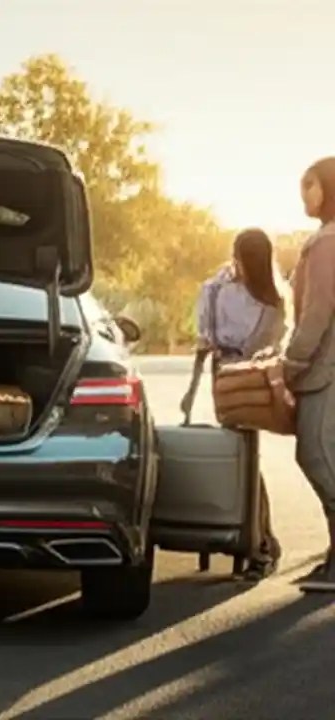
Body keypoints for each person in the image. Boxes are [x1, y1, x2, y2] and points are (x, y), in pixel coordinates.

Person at [181, 228, 288, 580]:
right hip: (233, 376)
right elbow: (214, 341)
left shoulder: (258, 297)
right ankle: (255, 541)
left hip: (240, 376)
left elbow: (258, 342)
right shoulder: (232, 291)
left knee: (246, 456)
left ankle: (260, 544)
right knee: (243, 457)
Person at [283, 156, 335, 592]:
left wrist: (293, 361)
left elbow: (317, 310)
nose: (304, 193)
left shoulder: (327, 244)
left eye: (310, 185)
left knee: (317, 457)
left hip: (326, 369)